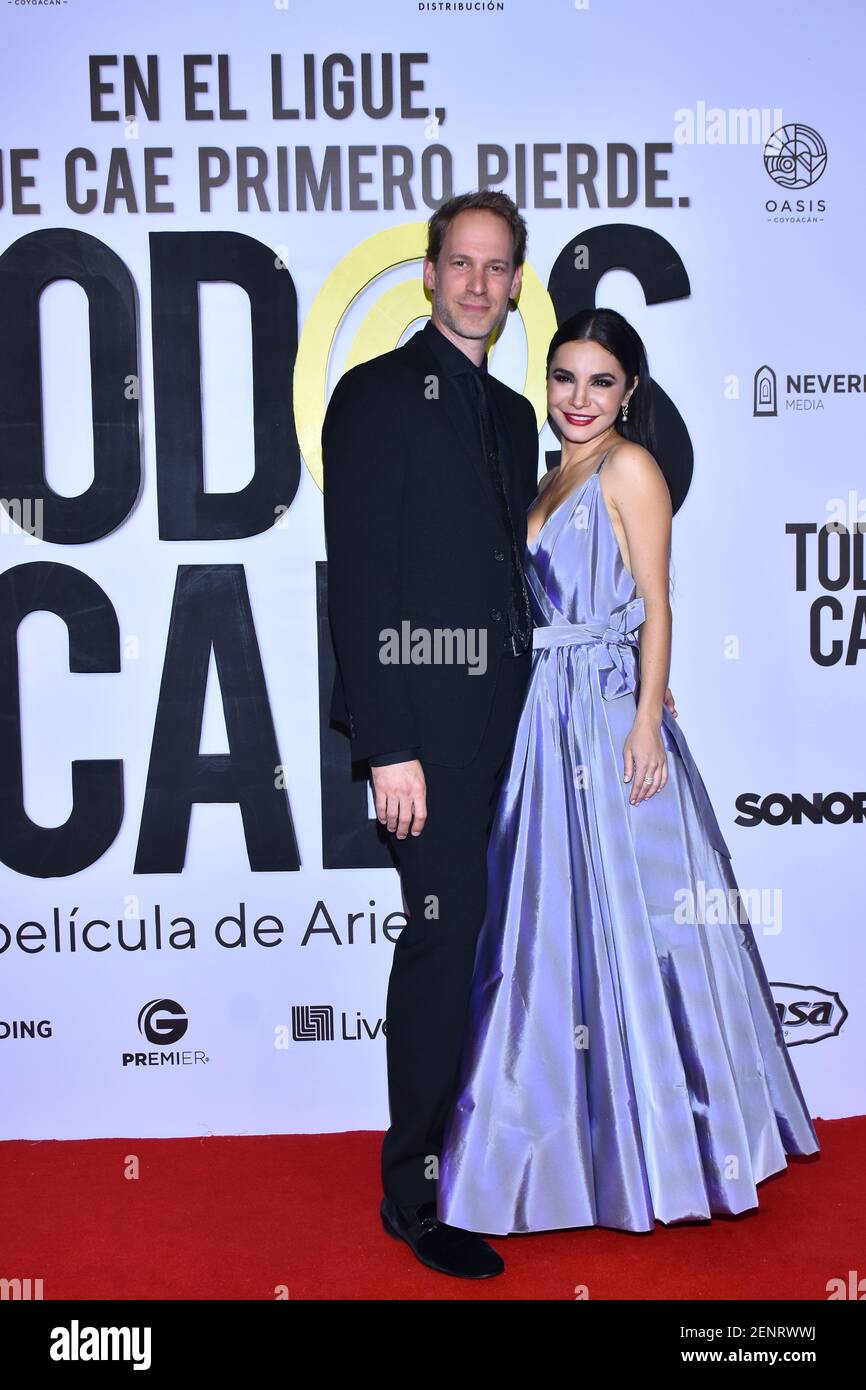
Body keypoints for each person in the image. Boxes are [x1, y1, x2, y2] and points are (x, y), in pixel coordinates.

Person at [436, 307, 821, 1236]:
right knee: (552, 928)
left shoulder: (630, 468)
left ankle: (676, 1141)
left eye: (600, 381)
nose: (577, 397)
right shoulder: (549, 473)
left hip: (608, 718)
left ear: (630, 391)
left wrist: (647, 718)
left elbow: (656, 602)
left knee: (641, 923)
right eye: (564, 377)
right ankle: (567, 1143)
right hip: (546, 715)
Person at [323, 192, 539, 1278]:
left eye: (495, 268)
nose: (474, 284)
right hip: (429, 740)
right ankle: (410, 1195)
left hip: (519, 732)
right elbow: (359, 587)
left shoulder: (509, 416)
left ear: (512, 285)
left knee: (502, 950)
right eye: (458, 262)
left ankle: (489, 1157)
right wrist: (387, 744)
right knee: (441, 946)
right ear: (426, 272)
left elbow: (512, 575)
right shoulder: (370, 399)